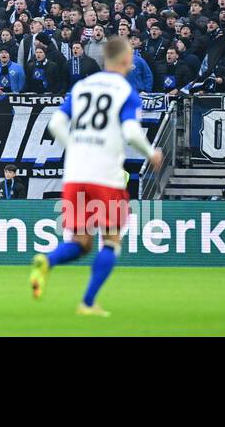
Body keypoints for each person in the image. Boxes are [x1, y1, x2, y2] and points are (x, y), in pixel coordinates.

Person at [32, 36, 163, 316]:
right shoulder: (126, 91)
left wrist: (77, 148)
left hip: (76, 172)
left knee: (80, 242)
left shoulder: (81, 86)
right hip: (106, 175)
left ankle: (47, 260)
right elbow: (129, 132)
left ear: (105, 59)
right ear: (127, 61)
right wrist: (151, 153)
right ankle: (87, 303)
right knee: (111, 240)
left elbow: (55, 123)